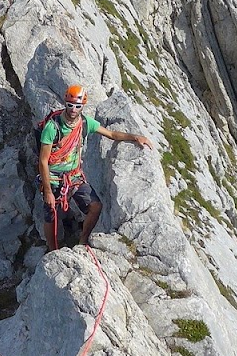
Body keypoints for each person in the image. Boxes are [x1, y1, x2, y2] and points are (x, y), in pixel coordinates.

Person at [38, 84, 152, 252]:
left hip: (74, 175)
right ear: (65, 103)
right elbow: (43, 161)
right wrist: (48, 191)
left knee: (95, 206)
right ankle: (52, 249)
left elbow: (112, 135)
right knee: (51, 214)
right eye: (70, 105)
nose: (73, 109)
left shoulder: (84, 123)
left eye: (77, 106)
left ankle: (82, 239)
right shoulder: (52, 127)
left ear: (82, 106)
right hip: (54, 177)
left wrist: (135, 137)